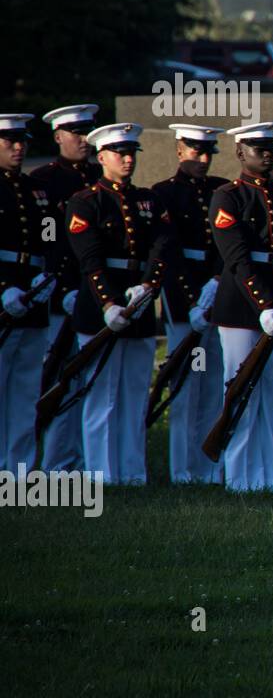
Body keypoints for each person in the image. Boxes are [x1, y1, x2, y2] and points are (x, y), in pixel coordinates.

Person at [66, 123, 175, 486]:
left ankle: (131, 474)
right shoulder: (86, 201)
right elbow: (90, 258)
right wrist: (108, 304)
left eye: (131, 153)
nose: (127, 159)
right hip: (102, 307)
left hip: (139, 303)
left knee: (132, 395)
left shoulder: (148, 200)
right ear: (101, 158)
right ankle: (100, 475)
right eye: (119, 153)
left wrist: (149, 285)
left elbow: (161, 247)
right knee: (102, 396)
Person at [209, 122, 273, 493]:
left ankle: (271, 477)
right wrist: (266, 306)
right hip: (241, 306)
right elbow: (237, 259)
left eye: (271, 148)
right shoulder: (228, 197)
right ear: (239, 152)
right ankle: (240, 477)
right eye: (257, 148)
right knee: (240, 388)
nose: (268, 154)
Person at [150, 124, 227, 485]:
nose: (204, 158)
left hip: (217, 289)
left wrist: (216, 281)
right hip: (184, 295)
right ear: (180, 150)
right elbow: (168, 249)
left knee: (212, 384)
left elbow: (224, 246)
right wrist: (191, 298)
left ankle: (208, 467)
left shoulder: (220, 190)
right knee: (185, 385)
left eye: (208, 151)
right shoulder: (164, 194)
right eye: (196, 151)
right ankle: (182, 469)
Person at [30, 103, 101, 473]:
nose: (84, 140)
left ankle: (83, 458)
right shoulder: (44, 180)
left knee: (88, 378)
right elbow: (47, 243)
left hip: (95, 292)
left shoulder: (98, 176)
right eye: (76, 133)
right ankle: (56, 462)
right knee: (56, 377)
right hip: (61, 294)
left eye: (88, 132)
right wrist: (61, 290)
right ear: (58, 136)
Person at [0, 113, 56, 475]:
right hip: (5, 296)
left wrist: (49, 273)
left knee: (24, 391)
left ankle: (18, 469)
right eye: (10, 142)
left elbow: (50, 235)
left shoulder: (35, 190)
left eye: (23, 142)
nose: (19, 148)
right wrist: (3, 289)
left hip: (33, 295)